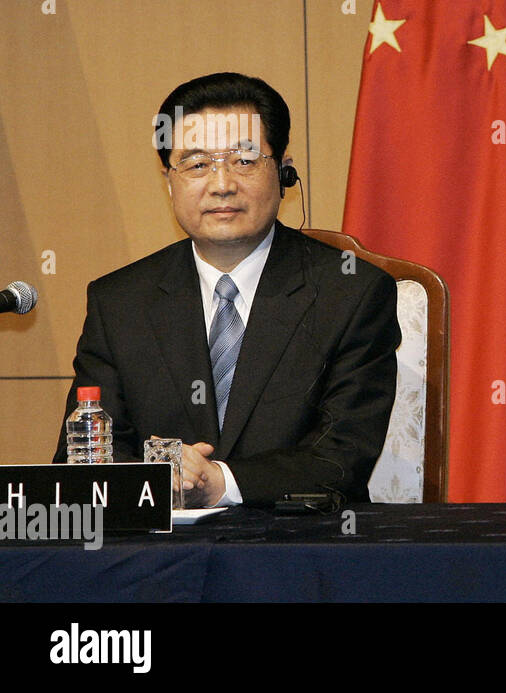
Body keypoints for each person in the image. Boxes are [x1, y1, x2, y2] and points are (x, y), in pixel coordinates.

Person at [54, 72, 400, 508]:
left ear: (284, 171)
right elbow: (81, 456)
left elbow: (342, 457)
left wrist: (220, 481)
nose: (221, 184)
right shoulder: (120, 302)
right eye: (197, 165)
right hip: (158, 557)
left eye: (244, 160)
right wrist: (161, 477)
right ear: (169, 181)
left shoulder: (351, 294)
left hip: (297, 550)